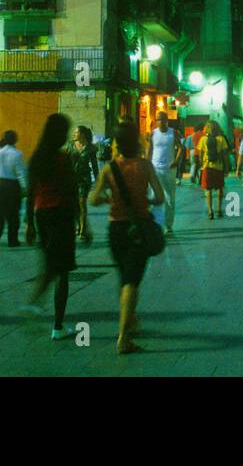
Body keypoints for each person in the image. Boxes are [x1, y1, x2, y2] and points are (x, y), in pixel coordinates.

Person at [88, 121, 164, 354]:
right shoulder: (145, 166)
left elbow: (93, 199)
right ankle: (123, 337)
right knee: (132, 281)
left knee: (124, 278)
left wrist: (108, 200)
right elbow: (160, 197)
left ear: (117, 144)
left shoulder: (109, 168)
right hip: (138, 228)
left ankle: (130, 319)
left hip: (115, 230)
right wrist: (146, 201)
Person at [24, 114, 78, 340]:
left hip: (41, 215)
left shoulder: (36, 157)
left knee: (49, 263)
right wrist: (79, 221)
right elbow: (71, 190)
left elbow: (30, 191)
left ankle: (35, 303)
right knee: (62, 272)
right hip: (61, 216)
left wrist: (29, 223)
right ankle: (57, 325)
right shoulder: (63, 158)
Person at [0, 129, 27, 249]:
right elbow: (20, 172)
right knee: (13, 214)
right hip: (12, 186)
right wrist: (25, 187)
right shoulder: (17, 154)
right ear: (15, 140)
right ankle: (12, 240)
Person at [149, 112, 180, 235]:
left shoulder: (173, 133)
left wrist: (176, 161)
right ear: (156, 121)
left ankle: (169, 226)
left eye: (162, 119)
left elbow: (181, 148)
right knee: (154, 198)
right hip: (155, 168)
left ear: (167, 120)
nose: (160, 122)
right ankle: (155, 225)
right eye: (158, 119)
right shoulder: (153, 134)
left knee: (169, 199)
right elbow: (149, 150)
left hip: (169, 170)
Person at [69, 125, 99, 242]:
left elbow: (95, 166)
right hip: (72, 179)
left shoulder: (90, 148)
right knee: (74, 205)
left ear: (82, 134)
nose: (74, 134)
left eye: (76, 132)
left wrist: (98, 182)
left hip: (84, 179)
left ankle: (82, 229)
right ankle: (78, 225)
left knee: (82, 203)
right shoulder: (70, 146)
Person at [197, 121, 230, 220]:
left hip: (207, 167)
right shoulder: (221, 139)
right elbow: (225, 155)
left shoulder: (203, 139)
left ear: (207, 128)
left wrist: (201, 165)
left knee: (208, 190)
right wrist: (226, 167)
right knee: (219, 188)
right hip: (218, 167)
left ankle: (210, 211)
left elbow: (200, 155)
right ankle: (219, 209)